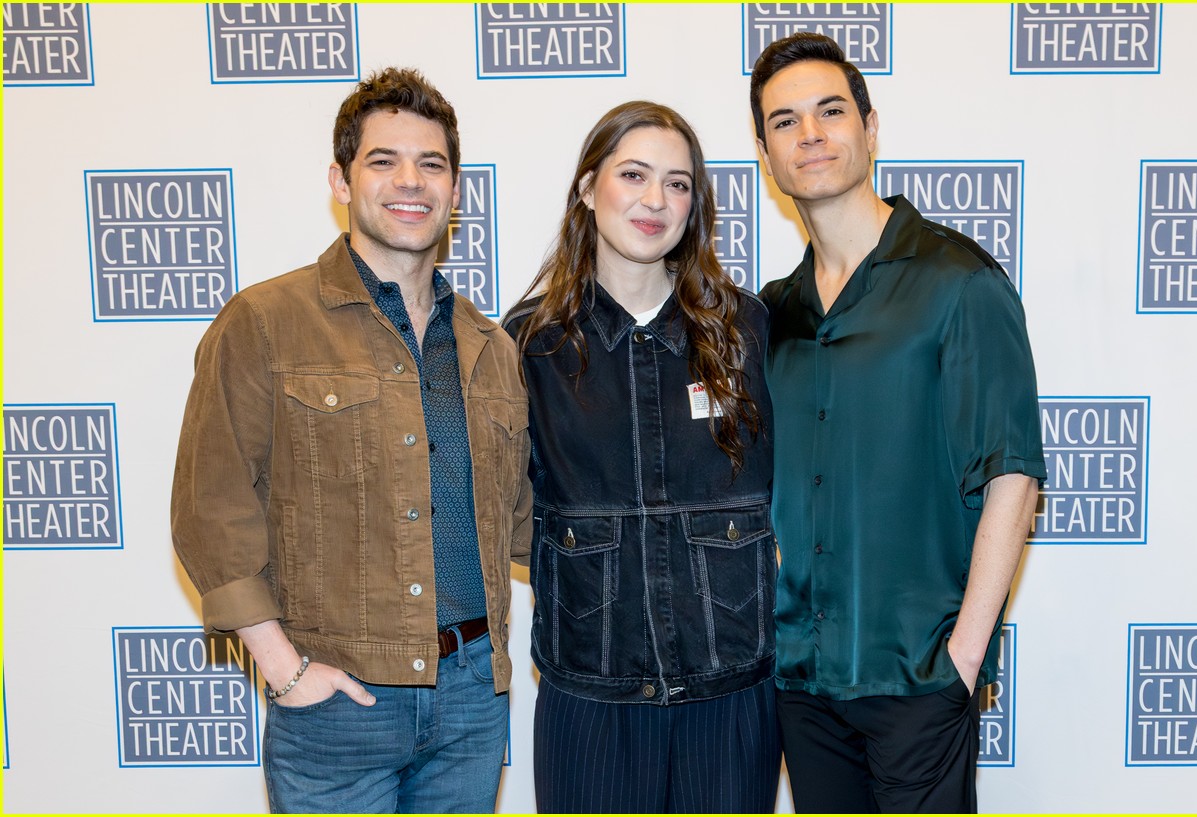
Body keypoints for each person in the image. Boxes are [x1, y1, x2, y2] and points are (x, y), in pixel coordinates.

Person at [170, 67, 531, 814]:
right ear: (340, 179)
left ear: (456, 190)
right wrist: (283, 666)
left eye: (432, 164)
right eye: (383, 160)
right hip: (337, 701)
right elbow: (211, 504)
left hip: (469, 702)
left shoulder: (491, 346)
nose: (411, 181)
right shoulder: (265, 322)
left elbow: (527, 518)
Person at [750, 34, 1046, 813]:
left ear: (870, 130)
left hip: (918, 677)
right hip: (803, 682)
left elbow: (1012, 476)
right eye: (784, 122)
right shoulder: (770, 313)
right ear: (764, 155)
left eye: (830, 111)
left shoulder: (958, 281)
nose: (809, 134)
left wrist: (963, 658)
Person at [503, 101, 780, 813]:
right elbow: (500, 507)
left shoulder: (747, 329)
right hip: (591, 693)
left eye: (679, 183)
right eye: (634, 174)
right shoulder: (529, 344)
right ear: (589, 188)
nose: (657, 200)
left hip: (731, 692)